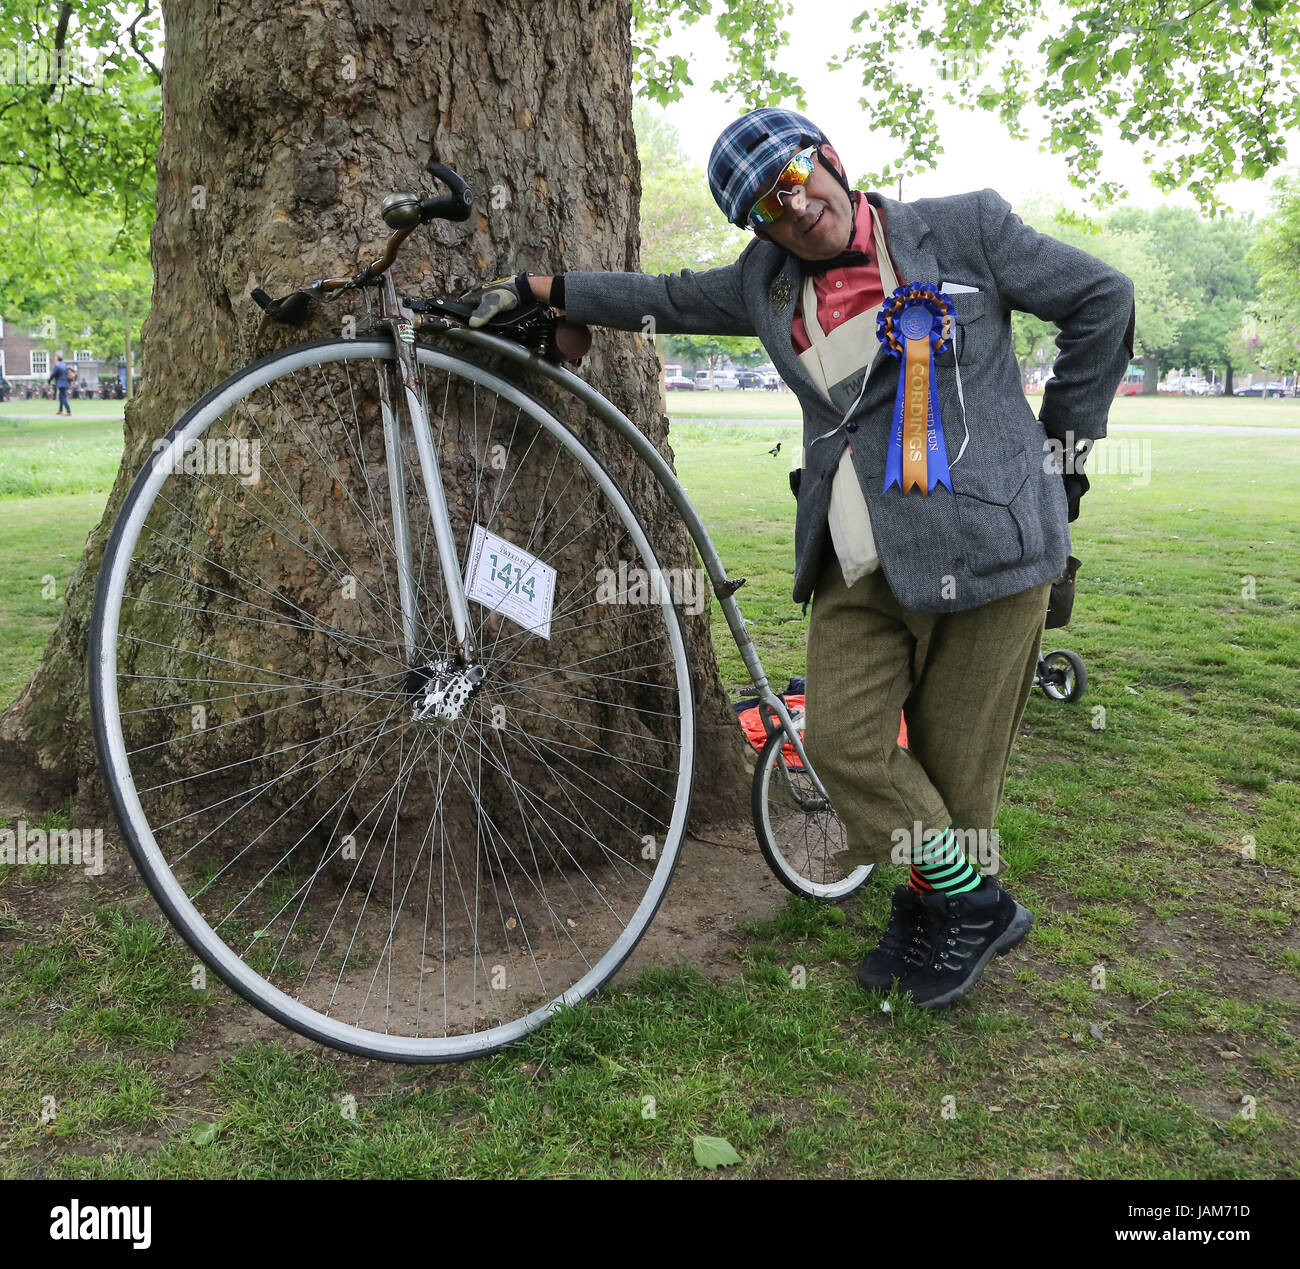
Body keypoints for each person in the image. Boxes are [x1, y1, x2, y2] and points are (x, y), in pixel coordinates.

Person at [461, 107, 1135, 1011]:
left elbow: (1105, 298)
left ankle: (934, 908)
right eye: (763, 212)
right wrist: (544, 288)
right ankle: (976, 900)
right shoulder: (765, 283)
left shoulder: (967, 226)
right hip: (853, 557)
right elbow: (661, 290)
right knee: (843, 747)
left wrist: (1062, 461)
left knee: (955, 773)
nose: (791, 213)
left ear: (827, 160)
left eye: (791, 183)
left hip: (993, 554)